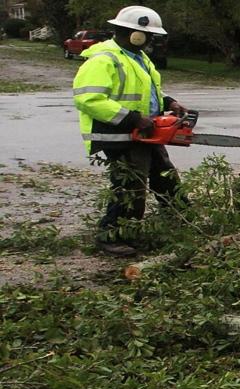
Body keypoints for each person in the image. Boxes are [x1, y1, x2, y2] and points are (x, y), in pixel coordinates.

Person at [72, 5, 187, 257]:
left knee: (165, 177)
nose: (151, 41)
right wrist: (132, 119)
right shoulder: (104, 59)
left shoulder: (138, 57)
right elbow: (89, 99)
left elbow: (148, 90)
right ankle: (111, 236)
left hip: (145, 133)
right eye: (149, 36)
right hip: (119, 134)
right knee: (130, 188)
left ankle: (183, 222)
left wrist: (169, 102)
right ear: (135, 34)